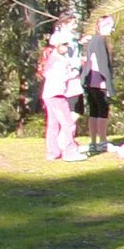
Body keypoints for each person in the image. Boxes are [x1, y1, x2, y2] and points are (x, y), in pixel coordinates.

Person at [41, 22, 85, 161]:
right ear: (59, 46)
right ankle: (69, 152)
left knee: (53, 124)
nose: (67, 47)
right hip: (57, 95)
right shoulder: (59, 61)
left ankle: (53, 152)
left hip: (49, 94)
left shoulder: (51, 59)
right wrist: (74, 73)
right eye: (65, 45)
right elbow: (62, 77)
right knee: (68, 123)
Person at [82, 14, 117, 155]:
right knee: (102, 110)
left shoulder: (93, 40)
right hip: (99, 81)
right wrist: (109, 86)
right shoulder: (100, 41)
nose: (112, 29)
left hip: (90, 81)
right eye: (110, 26)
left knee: (94, 111)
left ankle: (93, 142)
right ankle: (102, 141)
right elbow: (102, 65)